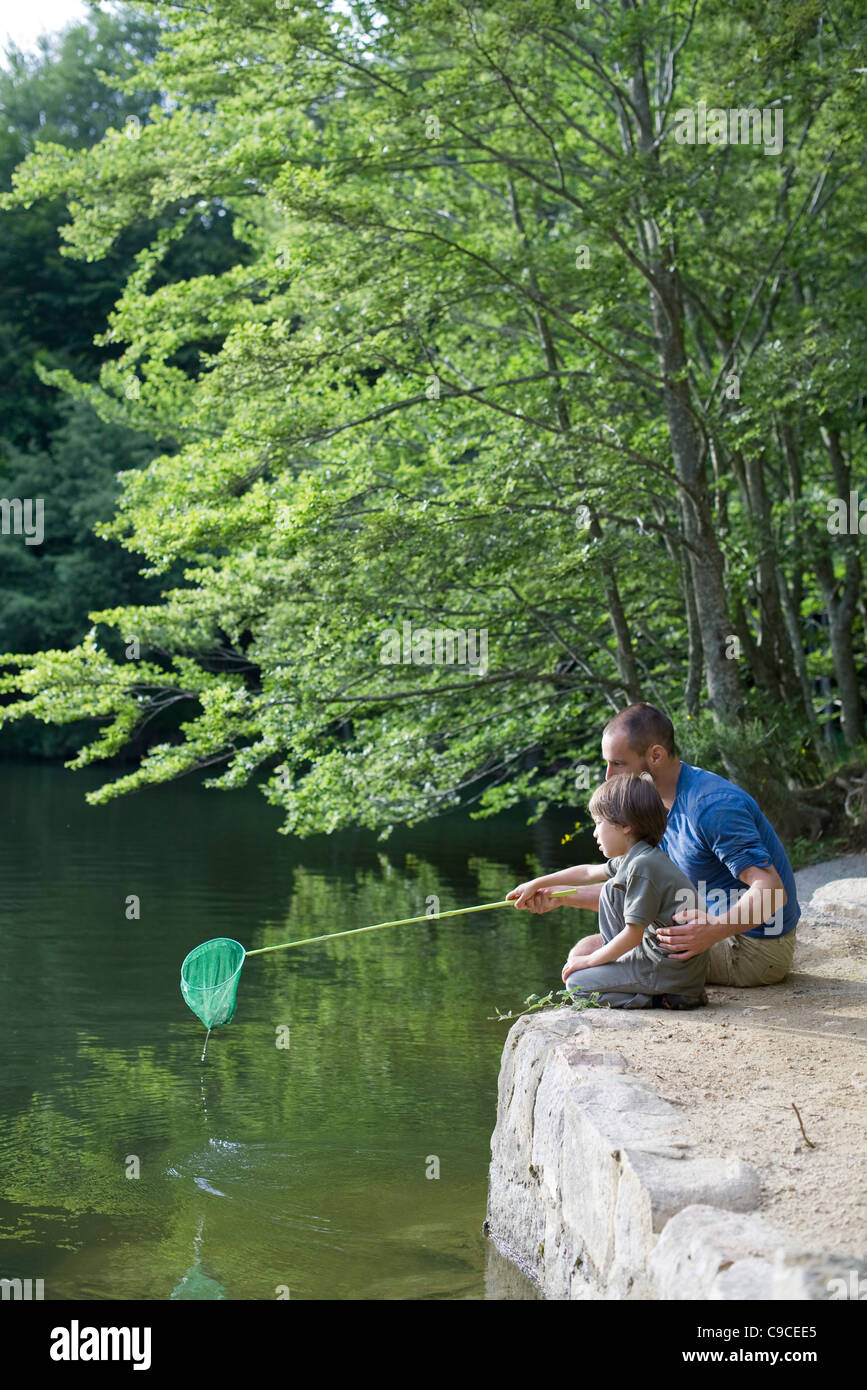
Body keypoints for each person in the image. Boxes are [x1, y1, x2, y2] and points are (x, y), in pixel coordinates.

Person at [508, 703, 799, 988]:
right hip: (704, 925)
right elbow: (638, 894)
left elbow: (772, 891)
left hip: (753, 948)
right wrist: (559, 895)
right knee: (584, 951)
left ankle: (660, 995)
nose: (608, 776)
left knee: (587, 968)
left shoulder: (712, 806)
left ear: (656, 755)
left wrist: (712, 931)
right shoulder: (650, 807)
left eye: (618, 764)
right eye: (606, 764)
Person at [554, 773, 708, 1009]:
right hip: (660, 959)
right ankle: (625, 969)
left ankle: (662, 996)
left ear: (626, 825)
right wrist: (537, 884)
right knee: (610, 889)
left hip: (666, 968)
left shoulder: (642, 866)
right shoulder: (638, 856)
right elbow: (587, 873)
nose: (594, 832)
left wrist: (589, 961)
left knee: (577, 984)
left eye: (598, 823)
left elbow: (633, 935)